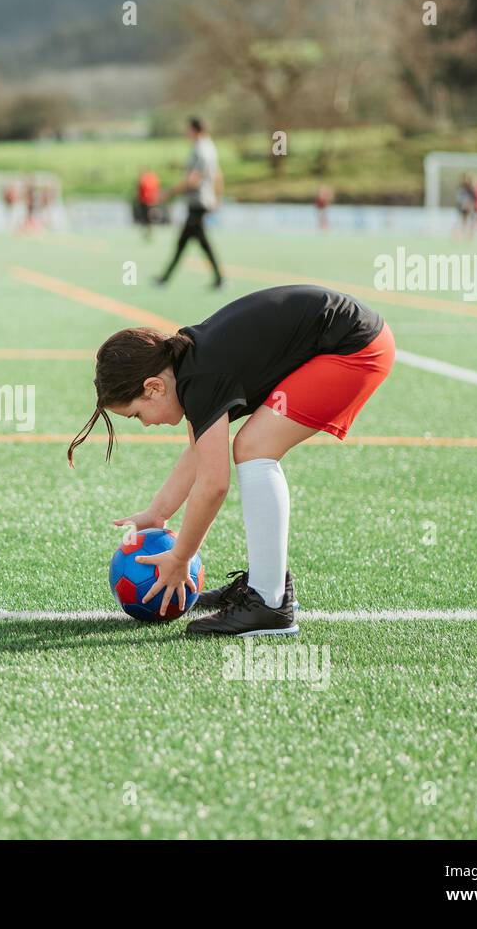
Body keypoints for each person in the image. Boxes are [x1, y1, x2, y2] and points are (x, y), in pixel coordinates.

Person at [67, 285, 394, 637]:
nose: (145, 424)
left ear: (154, 387)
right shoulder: (186, 370)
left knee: (253, 449)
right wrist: (158, 513)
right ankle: (266, 584)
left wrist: (180, 558)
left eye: (136, 415)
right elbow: (199, 454)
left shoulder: (199, 378)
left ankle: (269, 604)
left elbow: (214, 484)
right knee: (251, 446)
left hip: (355, 347)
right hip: (342, 338)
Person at [154, 117, 223, 290]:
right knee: (192, 242)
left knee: (192, 242)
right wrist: (217, 197)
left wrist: (169, 193)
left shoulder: (201, 150)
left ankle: (165, 278)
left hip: (198, 202)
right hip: (201, 201)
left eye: (188, 130)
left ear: (194, 130)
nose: (186, 133)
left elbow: (193, 179)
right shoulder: (209, 148)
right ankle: (165, 278)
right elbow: (218, 175)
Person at [135, 168, 162, 240]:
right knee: (149, 218)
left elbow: (140, 189)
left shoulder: (143, 179)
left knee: (147, 218)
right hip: (152, 201)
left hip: (146, 201)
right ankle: (149, 232)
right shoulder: (154, 178)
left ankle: (149, 232)